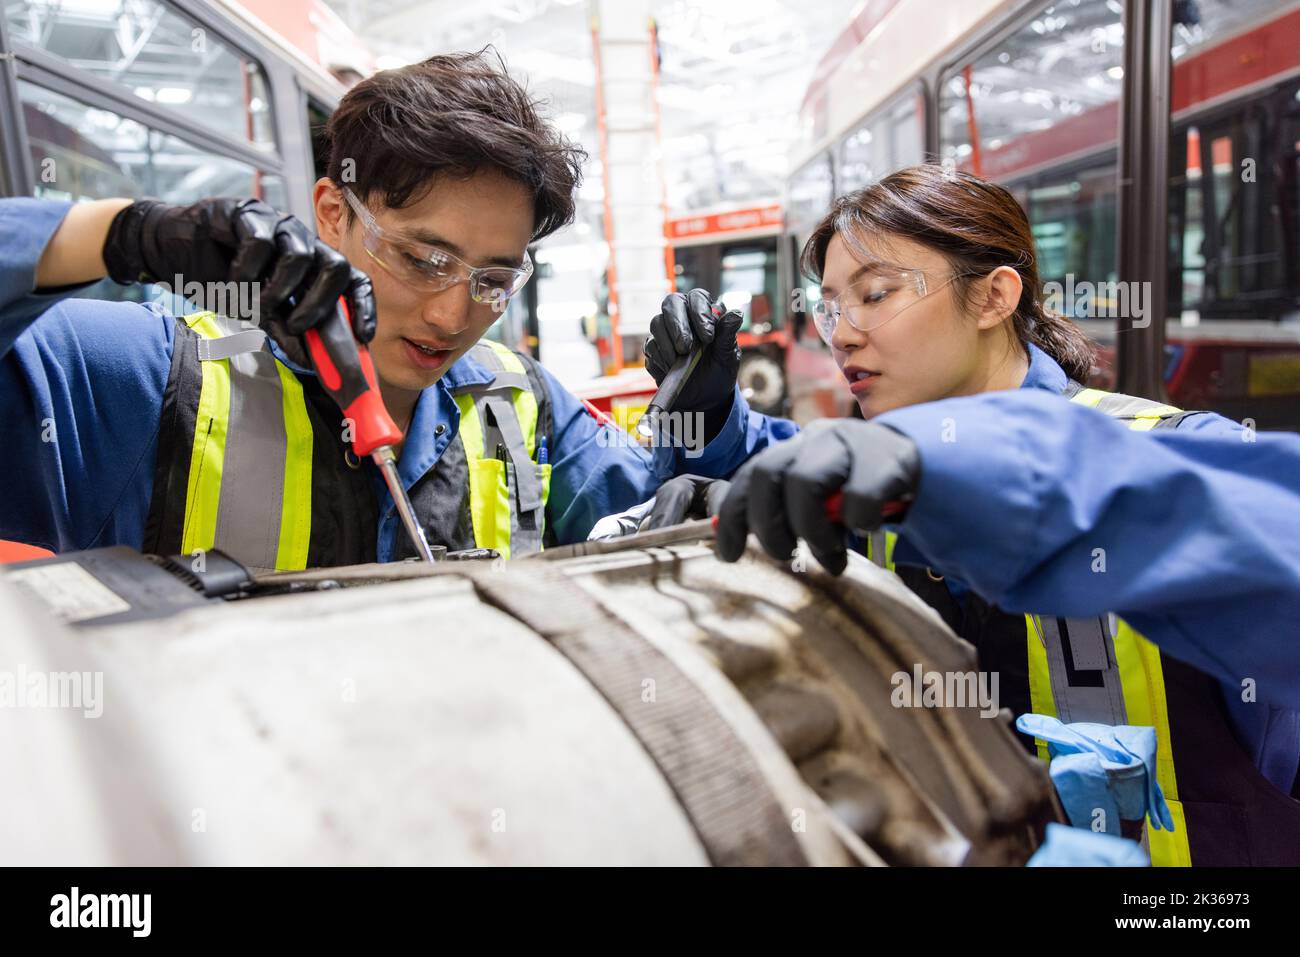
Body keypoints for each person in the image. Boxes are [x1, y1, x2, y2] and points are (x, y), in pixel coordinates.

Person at [671, 164, 1300, 864]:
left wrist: (983, 465)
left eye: (875, 294)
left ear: (995, 295)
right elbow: (789, 458)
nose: (840, 336)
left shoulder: (1161, 453)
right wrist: (708, 434)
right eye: (829, 308)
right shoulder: (874, 480)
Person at [0, 50, 792, 572]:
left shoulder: (520, 404)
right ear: (331, 214)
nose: (452, 316)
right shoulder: (144, 379)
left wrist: (708, 424)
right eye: (422, 259)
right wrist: (114, 234)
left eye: (493, 280)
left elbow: (665, 524)